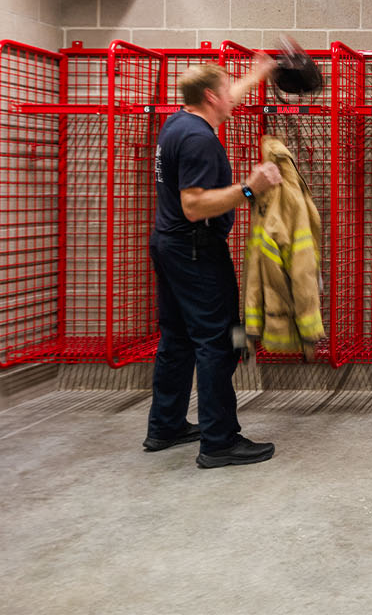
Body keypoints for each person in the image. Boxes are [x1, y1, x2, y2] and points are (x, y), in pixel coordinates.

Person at [144, 56, 282, 469]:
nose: (232, 98)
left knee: (176, 337)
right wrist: (248, 189)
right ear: (209, 97)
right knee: (220, 341)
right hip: (196, 249)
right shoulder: (200, 139)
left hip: (169, 246)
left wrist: (257, 75)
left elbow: (225, 96)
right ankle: (220, 441)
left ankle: (165, 426)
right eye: (225, 91)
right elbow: (193, 205)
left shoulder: (179, 122)